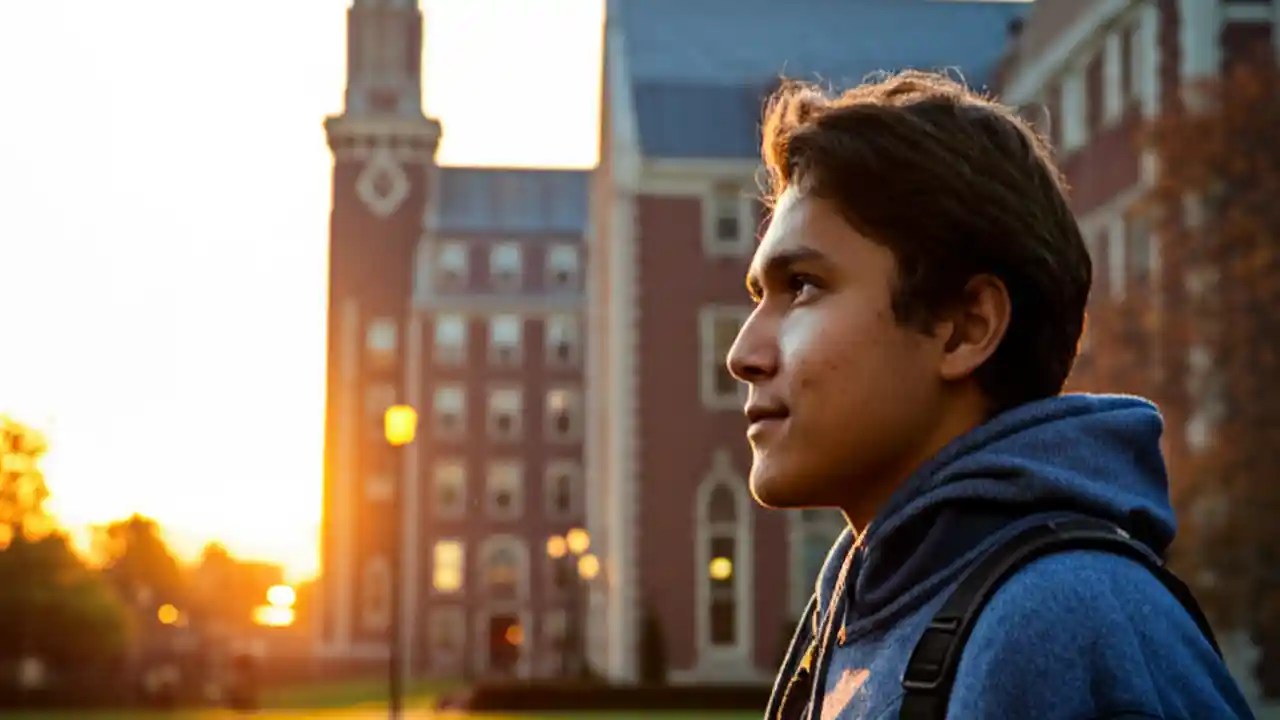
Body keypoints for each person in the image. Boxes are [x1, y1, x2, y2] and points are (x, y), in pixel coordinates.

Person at [728, 70, 1254, 719]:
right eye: (760, 297)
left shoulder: (1058, 620)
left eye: (803, 286)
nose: (743, 354)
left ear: (966, 328)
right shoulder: (858, 611)